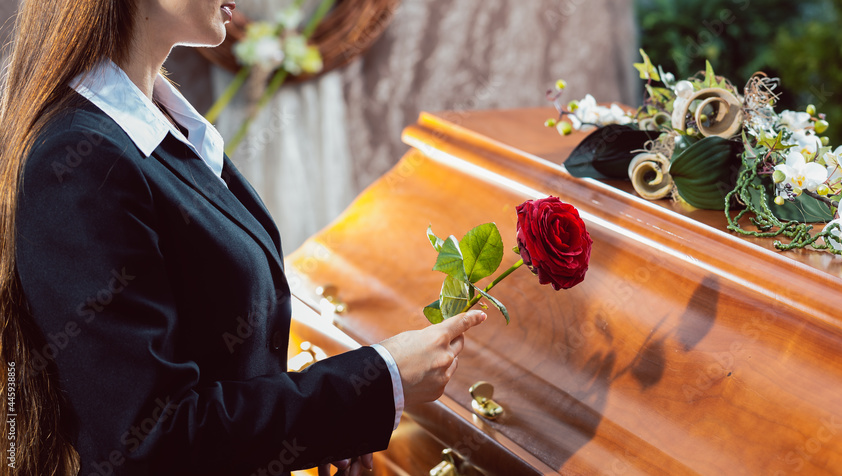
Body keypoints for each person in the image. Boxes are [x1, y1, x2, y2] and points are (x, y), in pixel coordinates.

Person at [0, 1, 486, 475]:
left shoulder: (164, 128)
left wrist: (322, 432)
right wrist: (379, 379)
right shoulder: (79, 160)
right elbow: (149, 441)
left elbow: (217, 360)